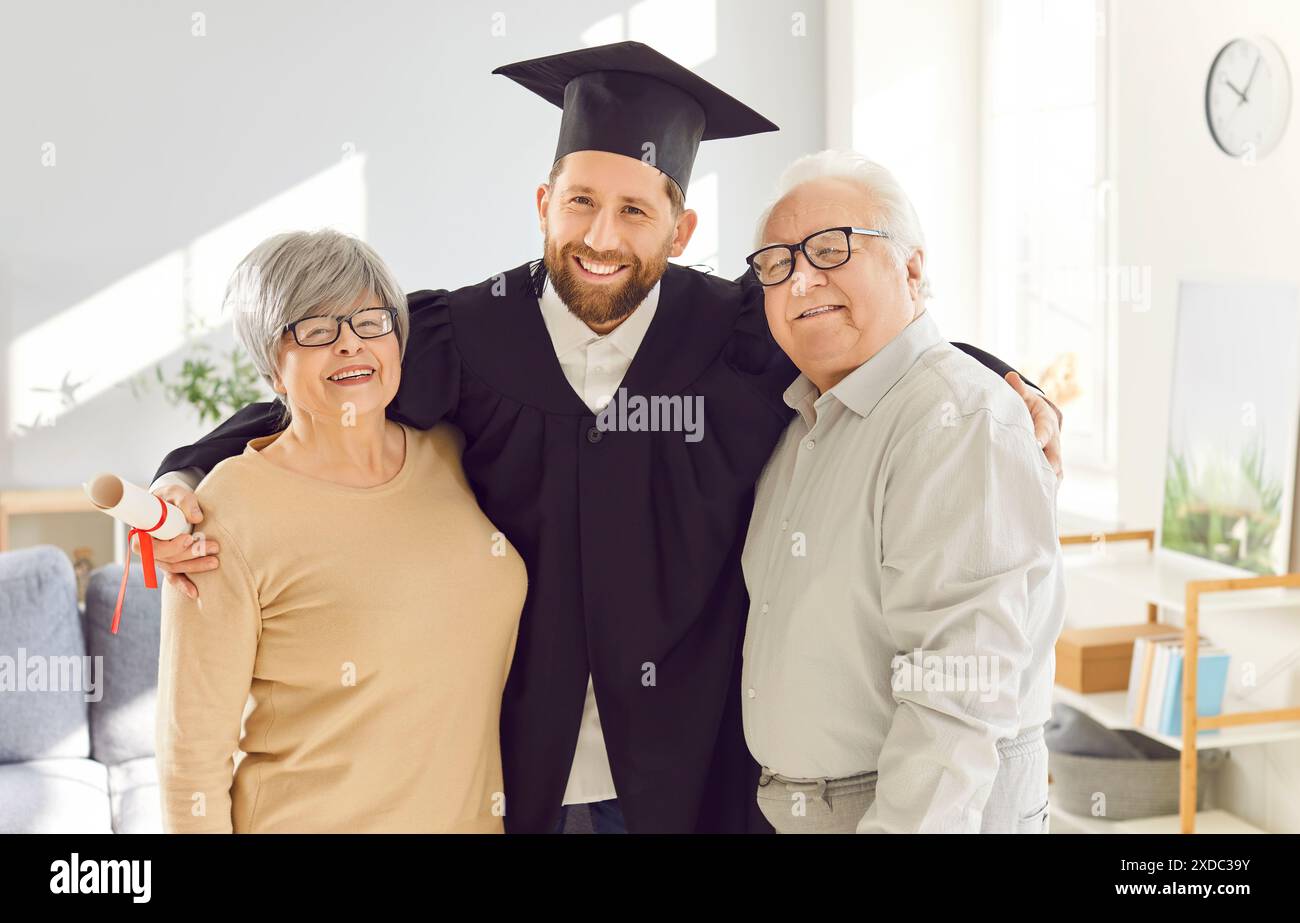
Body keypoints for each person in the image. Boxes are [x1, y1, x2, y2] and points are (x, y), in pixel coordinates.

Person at [143, 42, 1061, 833]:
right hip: (519, 779)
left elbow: (860, 329)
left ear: (682, 225)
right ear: (543, 201)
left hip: (697, 779)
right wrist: (185, 471)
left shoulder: (740, 334)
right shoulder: (472, 336)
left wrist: (994, 376)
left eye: (634, 210)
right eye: (580, 202)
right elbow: (330, 384)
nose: (600, 236)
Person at [153, 230, 526, 832]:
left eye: (370, 321)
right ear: (272, 366)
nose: (351, 344)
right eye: (315, 329)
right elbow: (190, 759)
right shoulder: (224, 512)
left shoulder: (454, 455)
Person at [740, 151, 1064, 833]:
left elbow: (957, 692)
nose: (802, 278)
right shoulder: (804, 424)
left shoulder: (957, 422)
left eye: (831, 250)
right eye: (777, 263)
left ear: (912, 266)